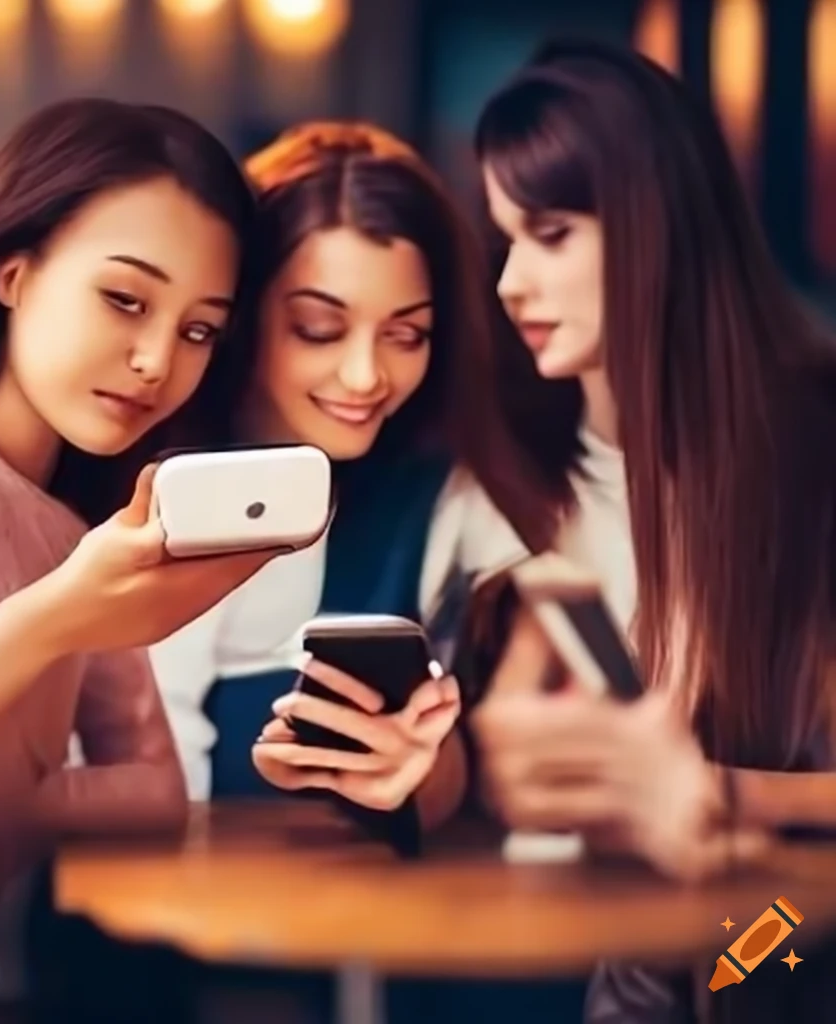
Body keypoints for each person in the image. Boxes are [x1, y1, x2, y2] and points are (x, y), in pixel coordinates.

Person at [0, 97, 283, 1023]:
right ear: (13, 273)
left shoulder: (73, 533)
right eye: (125, 300)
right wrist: (46, 621)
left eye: (199, 330)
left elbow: (154, 793)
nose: (156, 360)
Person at [148, 121, 582, 1024]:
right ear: (241, 313)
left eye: (406, 335)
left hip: (365, 963)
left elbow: (471, 760)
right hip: (159, 954)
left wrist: (419, 766)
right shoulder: (152, 476)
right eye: (318, 328)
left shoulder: (443, 496)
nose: (364, 376)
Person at [465, 38, 836, 1023]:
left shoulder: (811, 451)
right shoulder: (513, 473)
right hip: (614, 964)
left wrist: (721, 797)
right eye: (504, 240)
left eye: (550, 235)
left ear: (651, 225)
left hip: (779, 943)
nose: (509, 283)